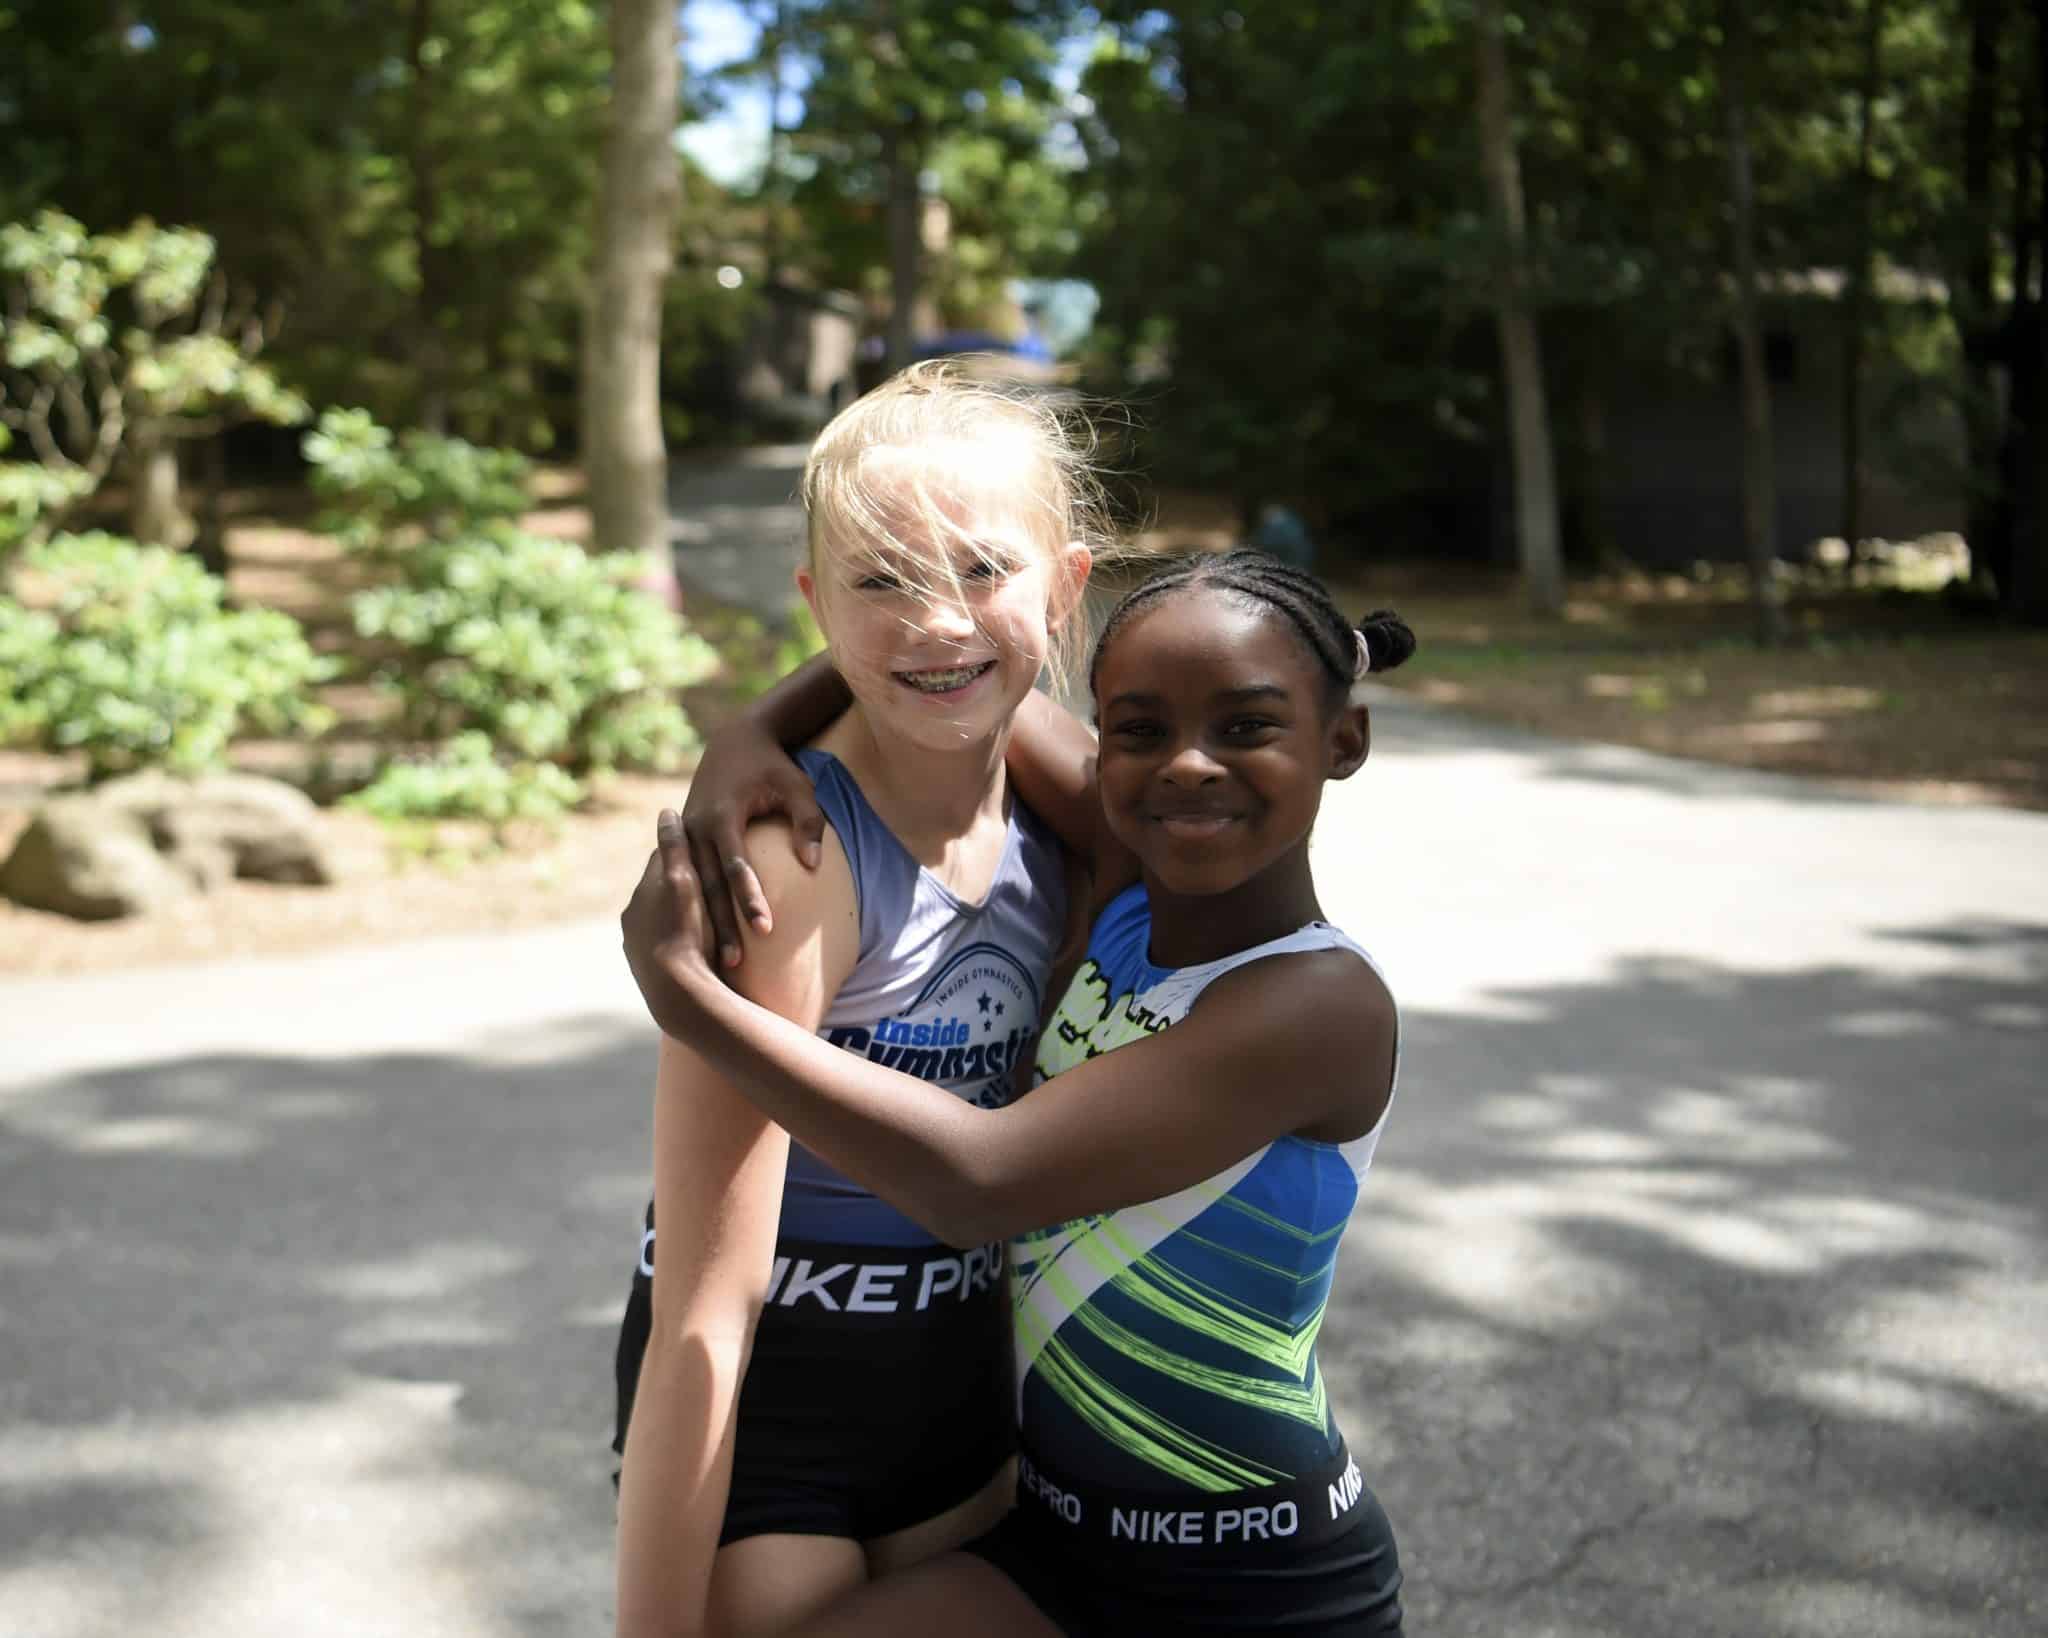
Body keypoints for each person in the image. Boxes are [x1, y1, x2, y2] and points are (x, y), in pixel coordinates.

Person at [622, 550, 1415, 1636]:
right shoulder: (1127, 885)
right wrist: (747, 732)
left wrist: (690, 999)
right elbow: (947, 668)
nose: (1188, 764)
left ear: (1343, 743)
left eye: (1246, 727)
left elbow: (977, 1182)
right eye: (1139, 731)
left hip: (1255, 1581)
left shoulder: (1318, 1004)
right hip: (1049, 1545)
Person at [612, 361, 1097, 1638]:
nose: (936, 619)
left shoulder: (1066, 830)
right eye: (879, 579)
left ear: (1066, 584)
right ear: (814, 603)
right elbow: (704, 1309)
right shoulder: (795, 858)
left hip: (958, 1393)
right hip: (773, 1417)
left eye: (982, 569)